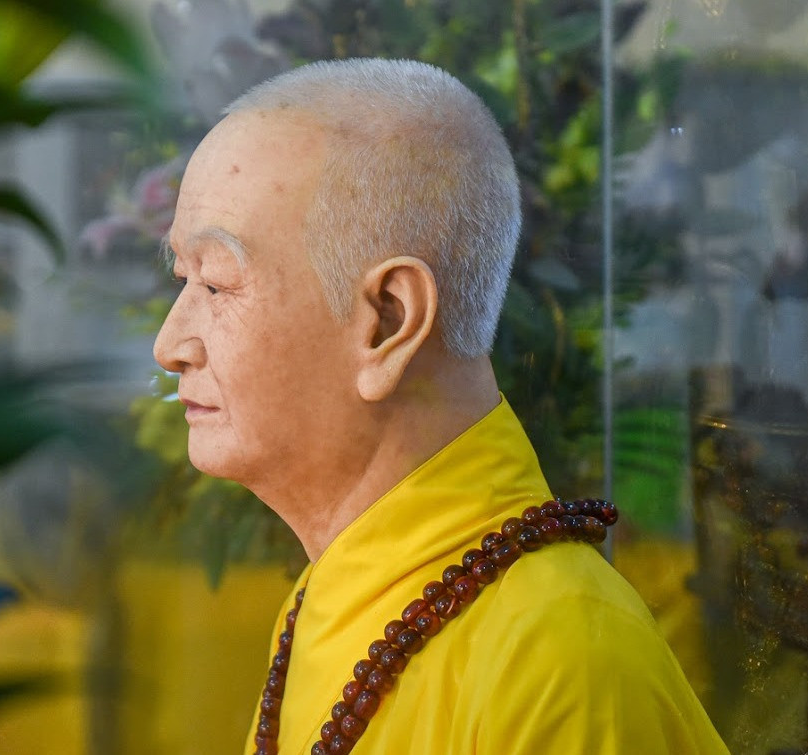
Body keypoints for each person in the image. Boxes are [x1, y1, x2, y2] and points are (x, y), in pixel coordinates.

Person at [153, 58, 728, 755]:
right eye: (182, 278)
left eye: (215, 284)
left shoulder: (557, 655)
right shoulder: (334, 600)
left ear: (387, 322)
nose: (170, 344)